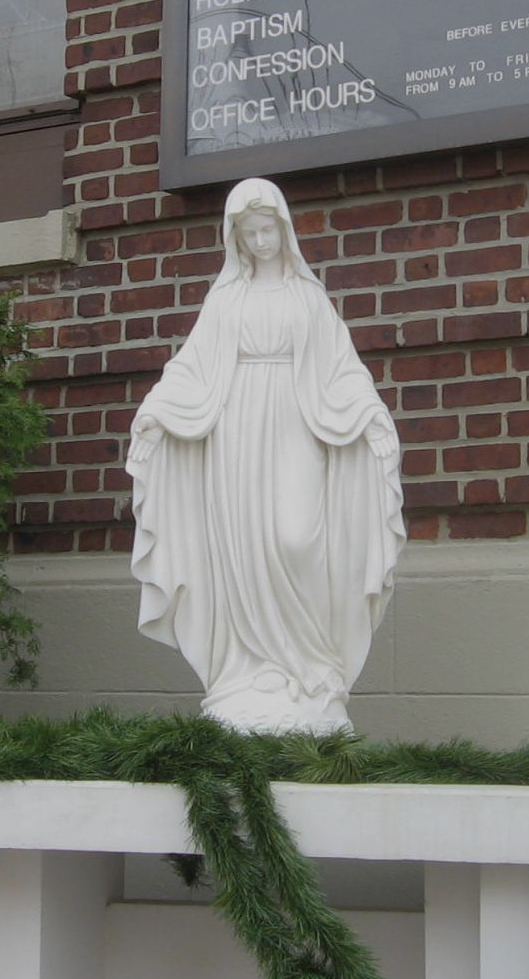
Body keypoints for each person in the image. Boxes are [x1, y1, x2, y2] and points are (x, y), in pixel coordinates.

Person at [126, 176, 404, 733]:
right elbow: (191, 368)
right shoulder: (226, 299)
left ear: (284, 228)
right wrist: (157, 412)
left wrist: (370, 416)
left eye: (267, 229)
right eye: (249, 233)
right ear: (236, 238)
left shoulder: (308, 298)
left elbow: (342, 368)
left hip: (297, 421)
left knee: (296, 538)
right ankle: (249, 674)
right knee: (243, 546)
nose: (260, 241)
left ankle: (310, 669)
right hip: (235, 430)